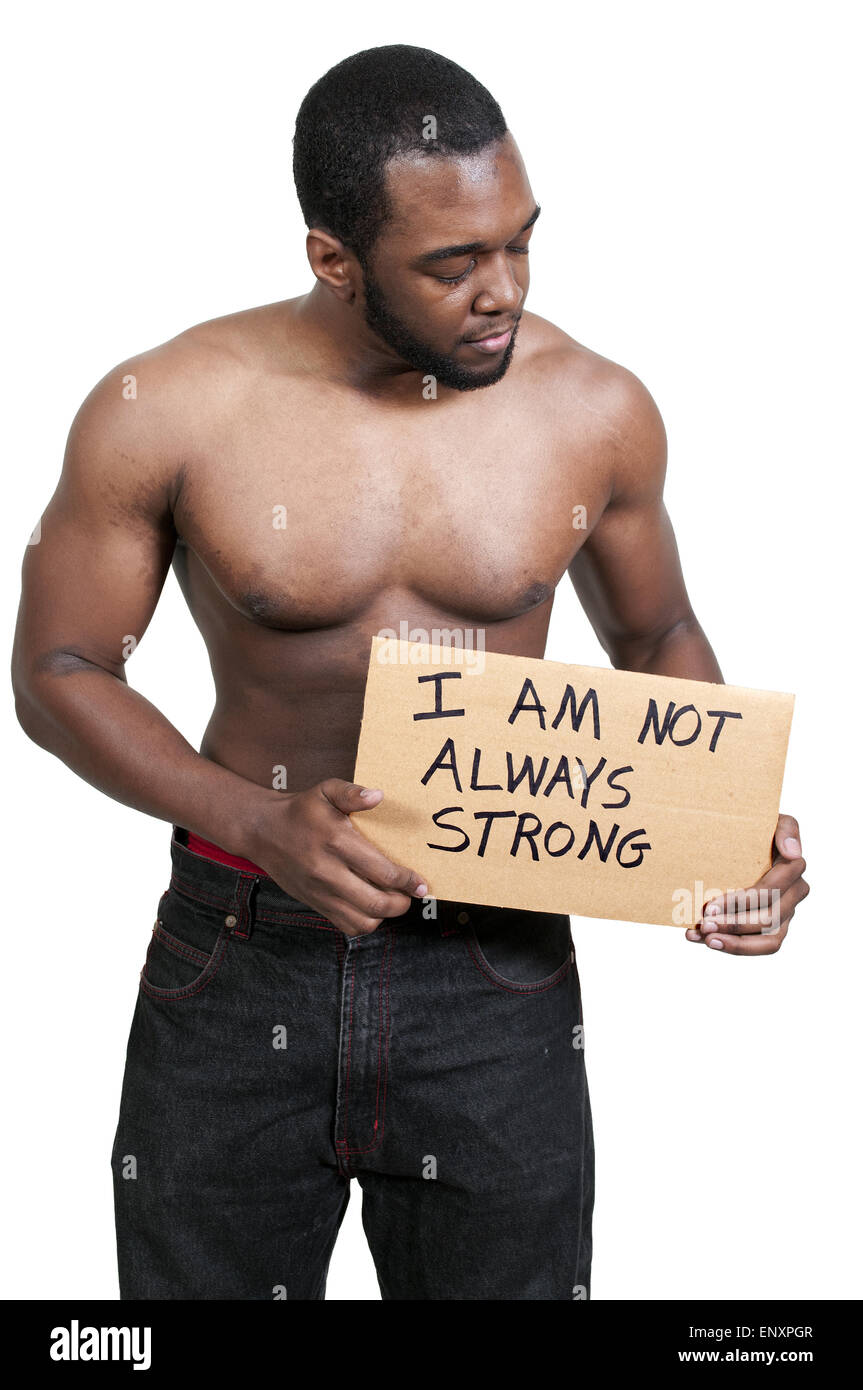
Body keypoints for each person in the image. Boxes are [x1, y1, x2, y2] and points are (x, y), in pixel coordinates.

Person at [11, 44, 808, 1301]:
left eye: (520, 244)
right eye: (452, 264)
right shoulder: (168, 404)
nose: (501, 291)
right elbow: (58, 666)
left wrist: (711, 824)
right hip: (237, 949)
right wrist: (257, 820)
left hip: (492, 962)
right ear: (332, 258)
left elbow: (654, 636)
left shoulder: (589, 405)